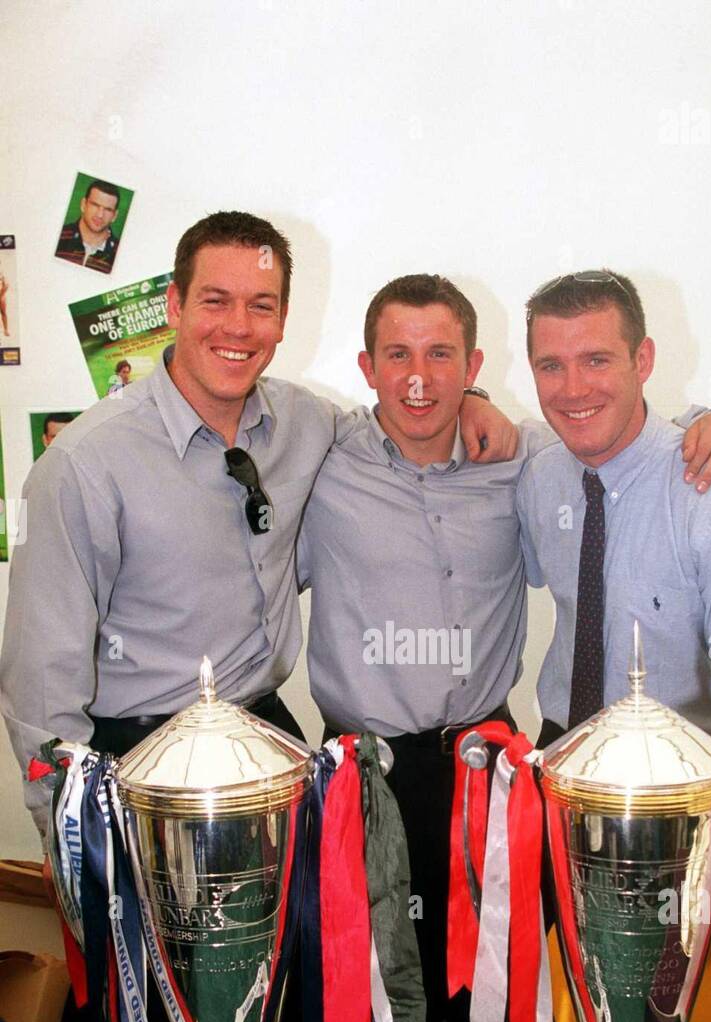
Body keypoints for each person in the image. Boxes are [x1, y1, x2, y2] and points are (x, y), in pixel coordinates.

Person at [297, 273, 711, 1022]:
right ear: (365, 365)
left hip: (488, 775)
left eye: (441, 354)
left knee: (496, 1006)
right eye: (398, 354)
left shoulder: (523, 456)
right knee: (360, 1002)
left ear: (473, 365)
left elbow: (625, 436)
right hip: (361, 773)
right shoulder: (320, 458)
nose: (419, 378)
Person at [0, 213, 513, 838]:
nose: (239, 327)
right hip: (139, 764)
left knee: (301, 939)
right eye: (216, 301)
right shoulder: (85, 464)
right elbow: (39, 682)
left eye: (260, 306)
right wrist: (72, 835)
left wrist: (475, 398)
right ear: (175, 305)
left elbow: (409, 415)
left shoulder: (309, 424)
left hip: (271, 752)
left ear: (282, 319)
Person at [517, 270, 711, 755]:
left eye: (596, 360)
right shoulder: (539, 478)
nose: (573, 389)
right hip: (561, 753)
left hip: (687, 771)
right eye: (551, 366)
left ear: (642, 359)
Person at [55, 180, 121, 273]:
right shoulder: (57, 236)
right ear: (83, 205)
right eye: (95, 205)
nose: (100, 215)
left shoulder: (120, 253)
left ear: (114, 216)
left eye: (108, 210)